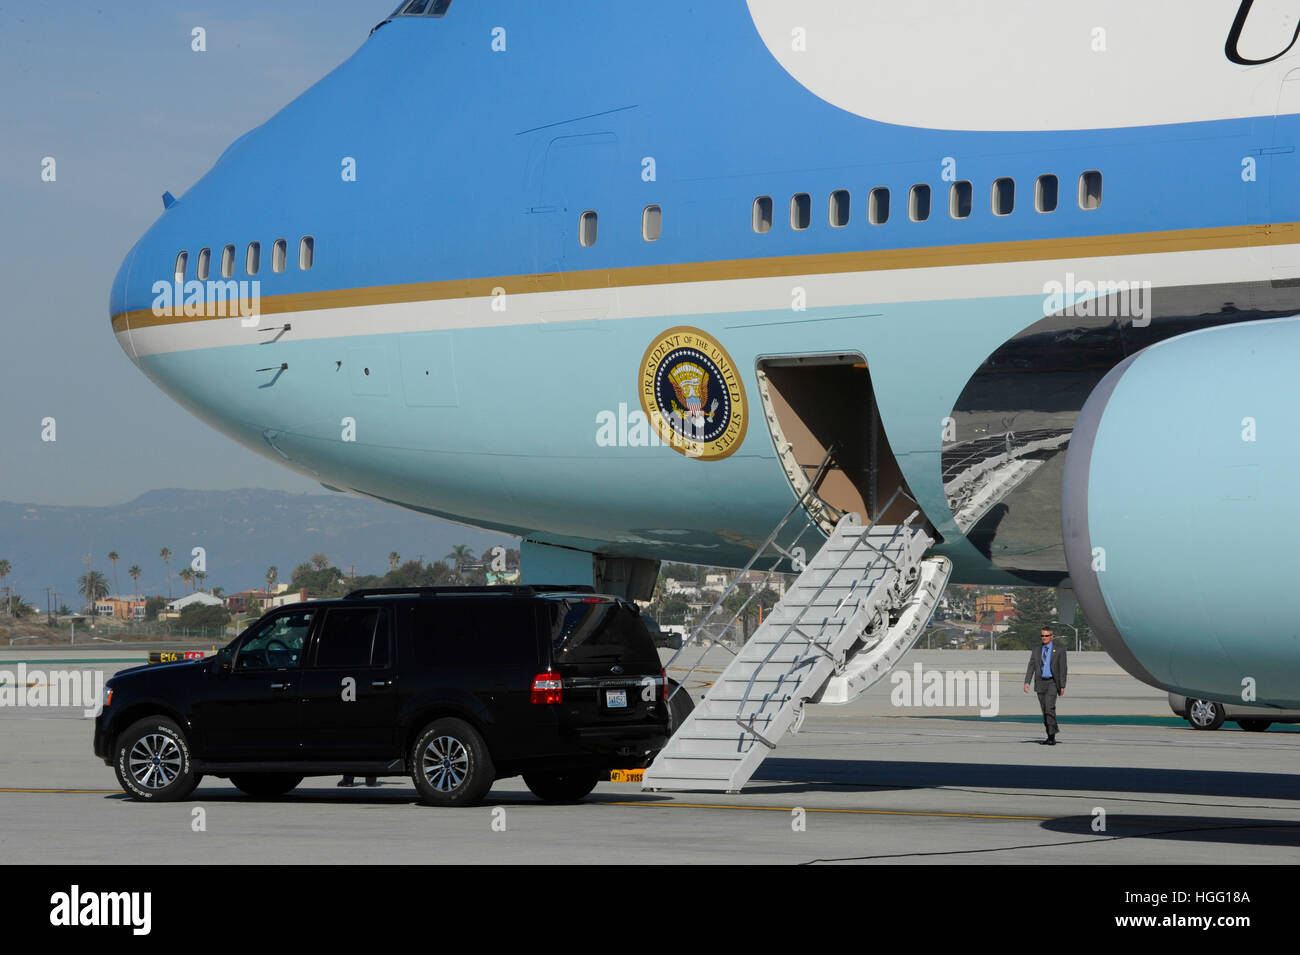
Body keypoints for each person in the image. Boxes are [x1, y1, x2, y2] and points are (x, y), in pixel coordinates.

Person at [1023, 626, 1067, 744]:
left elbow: (1063, 669)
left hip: (1052, 682)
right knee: (1044, 710)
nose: (1044, 637)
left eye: (1046, 635)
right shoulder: (1036, 649)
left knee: (1049, 708)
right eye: (1042, 635)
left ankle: (1052, 737)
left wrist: (1062, 685)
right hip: (1040, 683)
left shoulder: (1059, 650)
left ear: (1052, 636)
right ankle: (1050, 734)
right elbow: (1031, 666)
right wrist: (1027, 682)